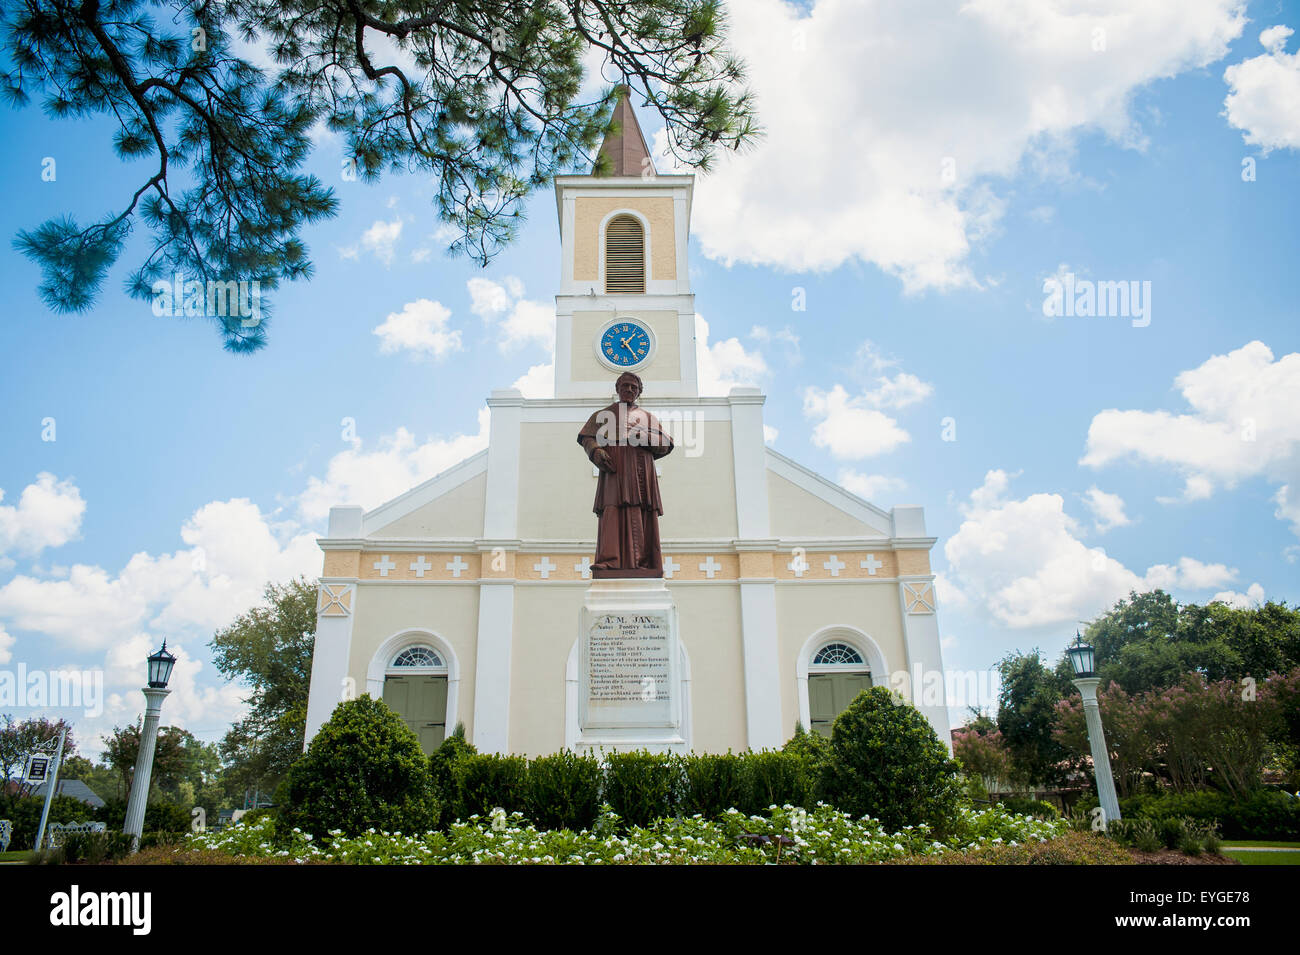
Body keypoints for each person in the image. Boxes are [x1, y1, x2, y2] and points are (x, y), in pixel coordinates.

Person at [576, 372, 674, 575]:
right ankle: (609, 561)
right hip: (614, 471)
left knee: (641, 512)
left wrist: (643, 435)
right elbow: (587, 438)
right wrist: (596, 451)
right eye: (625, 386)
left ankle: (644, 561)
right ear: (617, 389)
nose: (629, 390)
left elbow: (666, 443)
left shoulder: (648, 418)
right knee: (611, 511)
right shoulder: (602, 415)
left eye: (634, 387)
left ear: (639, 392)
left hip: (641, 473)